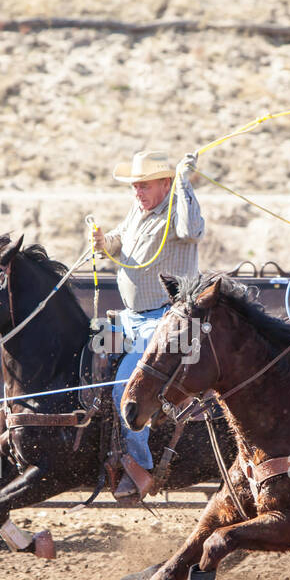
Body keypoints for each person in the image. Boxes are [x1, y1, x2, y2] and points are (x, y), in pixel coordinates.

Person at [91, 149, 204, 500]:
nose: (137, 192)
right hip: (130, 319)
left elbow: (192, 230)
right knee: (89, 362)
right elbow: (119, 240)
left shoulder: (176, 210)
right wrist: (101, 243)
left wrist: (185, 182)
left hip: (163, 321)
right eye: (134, 186)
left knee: (125, 389)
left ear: (164, 184)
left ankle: (141, 467)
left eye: (143, 185)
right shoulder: (139, 211)